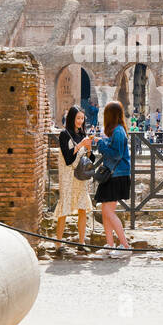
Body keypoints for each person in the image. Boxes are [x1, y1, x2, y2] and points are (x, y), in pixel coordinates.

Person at [92, 101, 131, 258]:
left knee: (109, 211)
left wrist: (100, 143)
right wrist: (100, 141)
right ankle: (110, 244)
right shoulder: (116, 131)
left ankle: (125, 246)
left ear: (109, 115)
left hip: (117, 175)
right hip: (113, 174)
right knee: (105, 211)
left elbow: (116, 154)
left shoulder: (119, 131)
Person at [54, 105, 94, 253]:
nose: (80, 121)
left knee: (82, 208)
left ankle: (81, 242)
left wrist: (89, 148)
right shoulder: (64, 134)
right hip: (68, 177)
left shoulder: (83, 134)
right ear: (72, 118)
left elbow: (91, 159)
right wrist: (80, 146)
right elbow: (68, 158)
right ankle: (58, 244)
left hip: (80, 177)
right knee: (64, 207)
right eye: (78, 118)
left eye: (82, 118)